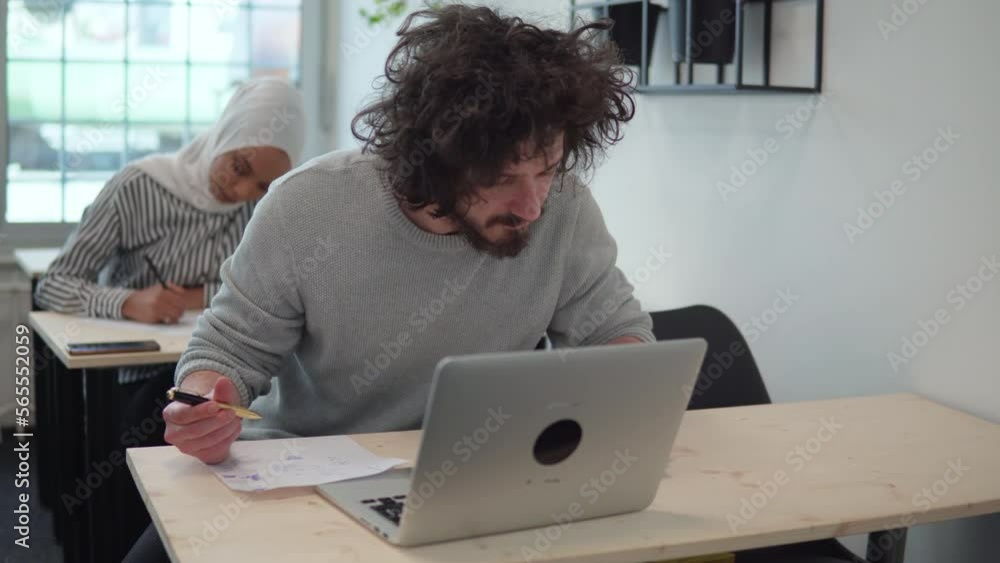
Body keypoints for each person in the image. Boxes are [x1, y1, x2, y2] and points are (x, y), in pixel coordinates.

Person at [124, 6, 649, 561]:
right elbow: (228, 348)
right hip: (303, 473)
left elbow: (615, 333)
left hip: (479, 480)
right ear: (436, 158)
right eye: (502, 178)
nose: (533, 204)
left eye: (547, 170)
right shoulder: (310, 205)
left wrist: (624, 385)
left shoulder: (563, 209)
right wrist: (207, 404)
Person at [34, 77, 305, 560]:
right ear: (225, 134)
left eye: (262, 185)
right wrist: (128, 302)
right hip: (131, 370)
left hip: (219, 370)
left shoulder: (260, 209)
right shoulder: (138, 187)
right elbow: (55, 282)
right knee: (156, 428)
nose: (241, 190)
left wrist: (204, 295)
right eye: (239, 167)